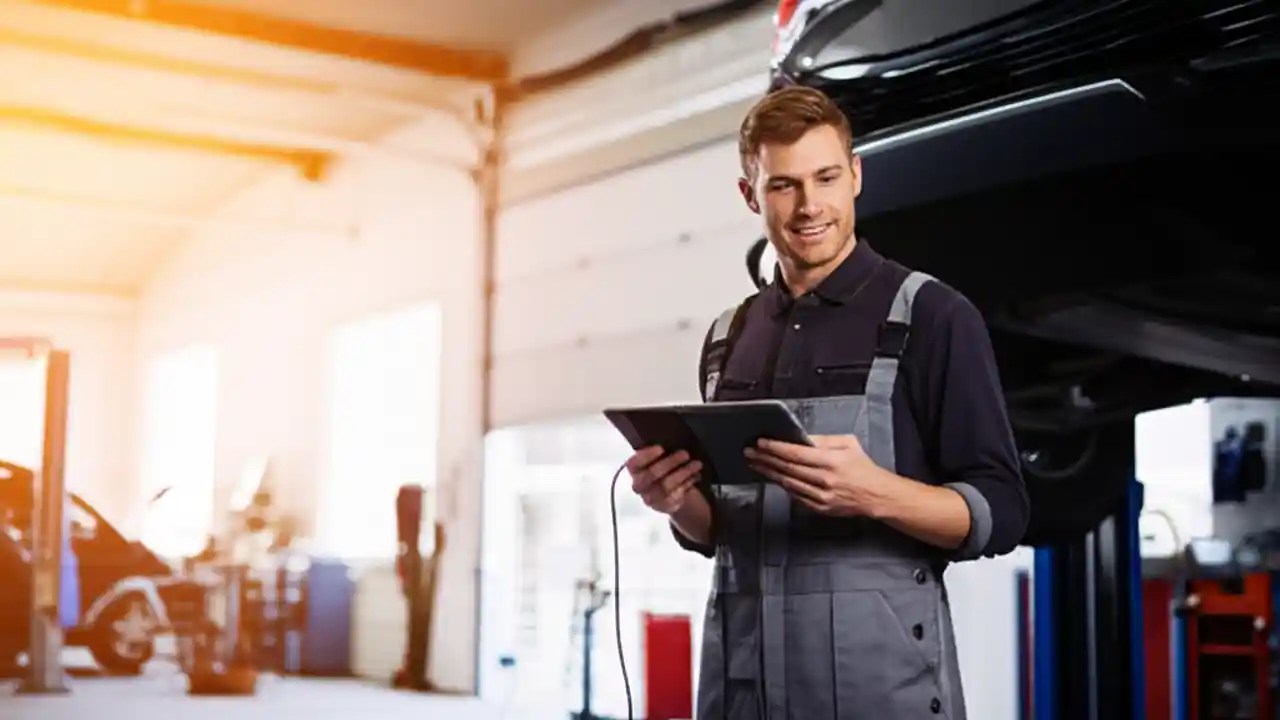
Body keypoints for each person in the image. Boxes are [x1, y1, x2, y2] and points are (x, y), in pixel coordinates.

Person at [625, 86, 1029, 719]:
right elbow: (722, 532)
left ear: (857, 175)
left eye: (827, 177)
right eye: (784, 185)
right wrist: (678, 504)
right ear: (749, 195)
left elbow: (1002, 510)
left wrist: (873, 492)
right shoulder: (728, 338)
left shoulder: (931, 317)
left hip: (878, 694)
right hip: (742, 692)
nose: (810, 206)